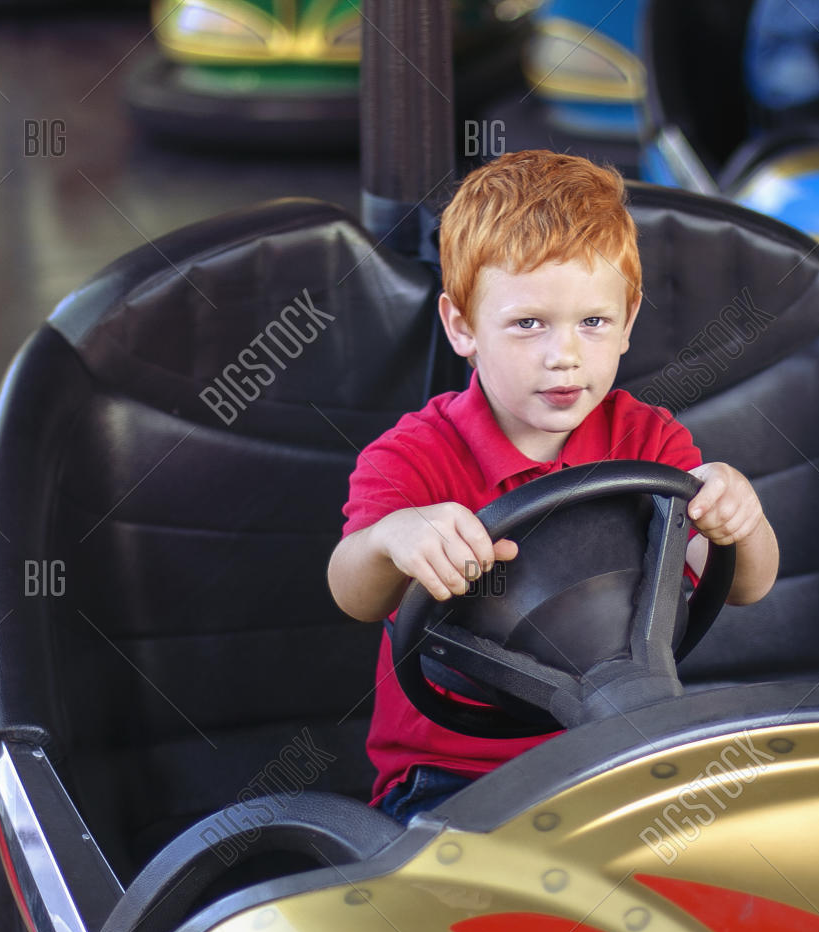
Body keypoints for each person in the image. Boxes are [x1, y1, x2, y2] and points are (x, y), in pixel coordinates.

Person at [327, 150, 781, 826]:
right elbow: (354, 595)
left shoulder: (649, 443)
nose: (562, 354)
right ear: (462, 328)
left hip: (619, 751)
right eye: (527, 323)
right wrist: (395, 539)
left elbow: (748, 584)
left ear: (628, 321)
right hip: (455, 777)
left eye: (591, 322)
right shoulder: (414, 457)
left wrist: (738, 516)